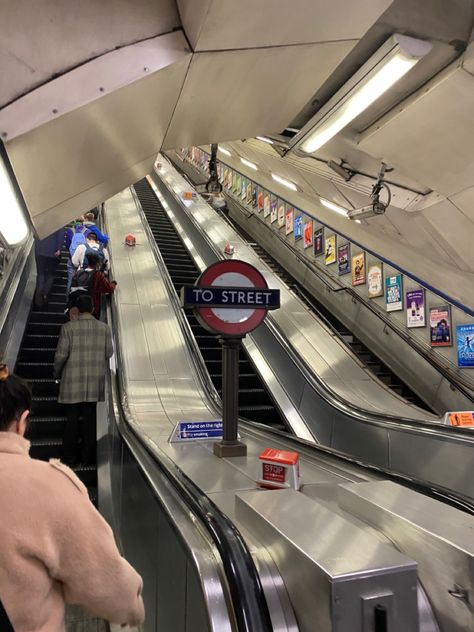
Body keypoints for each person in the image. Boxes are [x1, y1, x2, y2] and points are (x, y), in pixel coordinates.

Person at [0, 363, 144, 630]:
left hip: (73, 384)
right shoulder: (47, 486)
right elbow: (109, 586)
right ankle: (86, 454)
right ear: (22, 422)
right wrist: (133, 610)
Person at [54, 295, 113, 465]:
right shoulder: (104, 328)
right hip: (95, 382)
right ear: (93, 308)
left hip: (72, 383)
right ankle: (87, 459)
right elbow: (109, 353)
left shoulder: (68, 328)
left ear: (77, 310)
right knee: (90, 422)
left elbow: (61, 355)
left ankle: (69, 459)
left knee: (71, 422)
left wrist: (56, 373)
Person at [67, 253, 116, 319]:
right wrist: (113, 283)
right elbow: (108, 288)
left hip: (78, 306)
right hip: (91, 308)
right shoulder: (97, 275)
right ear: (98, 263)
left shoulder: (79, 272)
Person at [34, 228, 64, 306]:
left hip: (39, 251)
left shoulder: (40, 220)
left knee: (40, 273)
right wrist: (59, 249)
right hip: (52, 252)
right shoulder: (59, 222)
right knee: (50, 274)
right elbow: (61, 235)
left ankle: (38, 296)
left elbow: (35, 234)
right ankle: (45, 294)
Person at [65, 220, 90, 295]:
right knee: (83, 282)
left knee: (70, 281)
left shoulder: (70, 231)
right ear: (83, 224)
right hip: (83, 261)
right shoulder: (88, 231)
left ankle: (68, 302)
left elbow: (67, 245)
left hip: (72, 259)